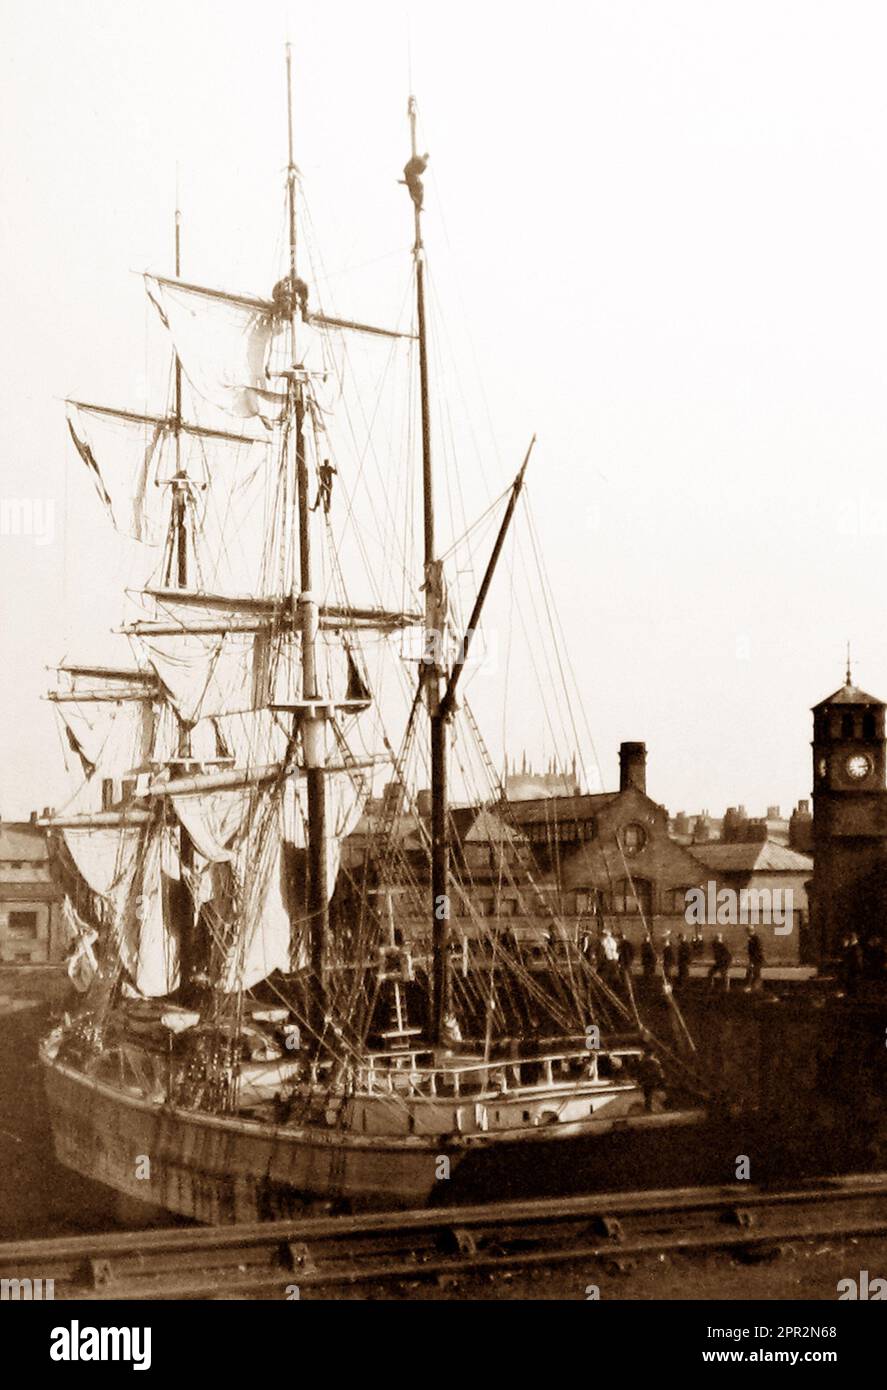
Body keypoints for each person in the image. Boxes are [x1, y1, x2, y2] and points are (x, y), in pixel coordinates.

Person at [745, 926, 765, 992]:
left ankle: (755, 988)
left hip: (757, 959)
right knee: (753, 973)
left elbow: (758, 951)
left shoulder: (756, 939)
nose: (747, 933)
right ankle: (754, 987)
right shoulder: (751, 938)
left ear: (750, 931)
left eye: (747, 931)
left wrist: (752, 962)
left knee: (755, 973)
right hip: (755, 959)